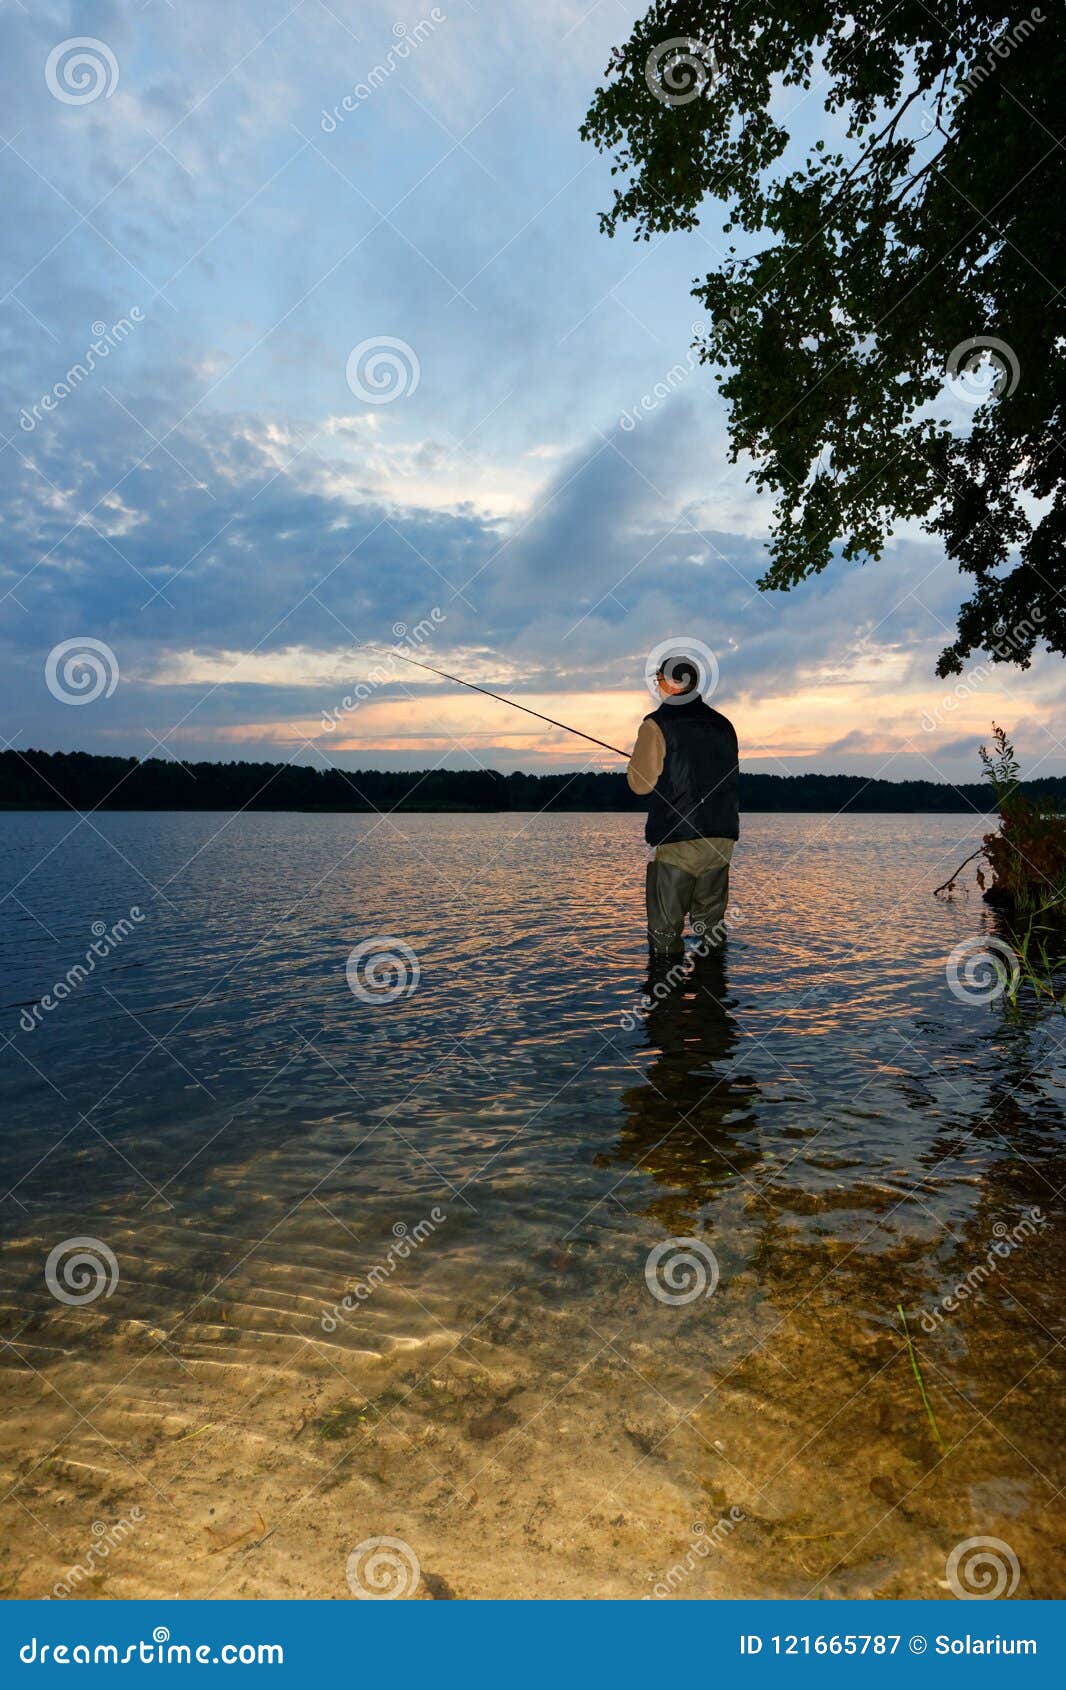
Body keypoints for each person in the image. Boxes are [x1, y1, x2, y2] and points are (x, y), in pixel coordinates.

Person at [626, 656, 739, 959]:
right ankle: (713, 993)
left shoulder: (656, 724)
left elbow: (640, 784)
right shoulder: (724, 726)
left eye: (659, 679)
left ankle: (664, 1001)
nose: (658, 685)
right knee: (711, 931)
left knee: (665, 934)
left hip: (678, 841)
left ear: (672, 683)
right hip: (722, 839)